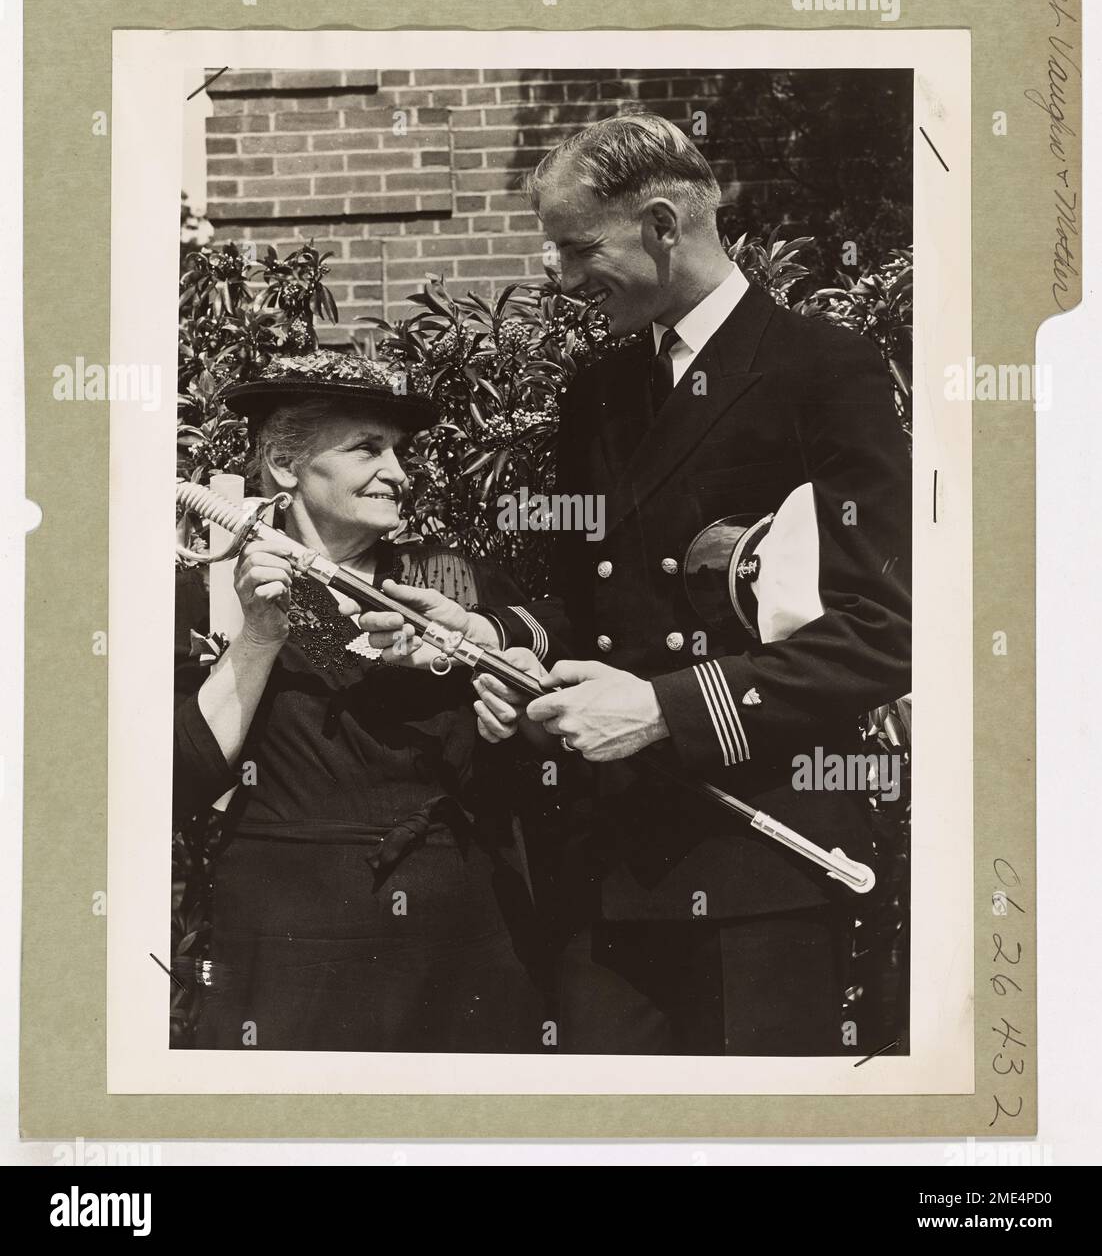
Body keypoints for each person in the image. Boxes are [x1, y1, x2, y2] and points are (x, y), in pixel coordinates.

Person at [370, 113, 912, 1056]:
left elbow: (884, 630)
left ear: (663, 223)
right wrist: (493, 629)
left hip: (759, 863)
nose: (562, 277)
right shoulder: (598, 394)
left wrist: (668, 709)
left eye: (579, 247)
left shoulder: (826, 371)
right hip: (607, 861)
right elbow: (580, 599)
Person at [173, 349, 547, 1053]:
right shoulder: (216, 593)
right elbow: (177, 782)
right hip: (292, 940)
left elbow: (523, 750)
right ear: (286, 465)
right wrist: (257, 638)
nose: (399, 475)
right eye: (367, 450)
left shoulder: (454, 582)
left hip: (459, 936)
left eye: (400, 452)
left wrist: (511, 717)